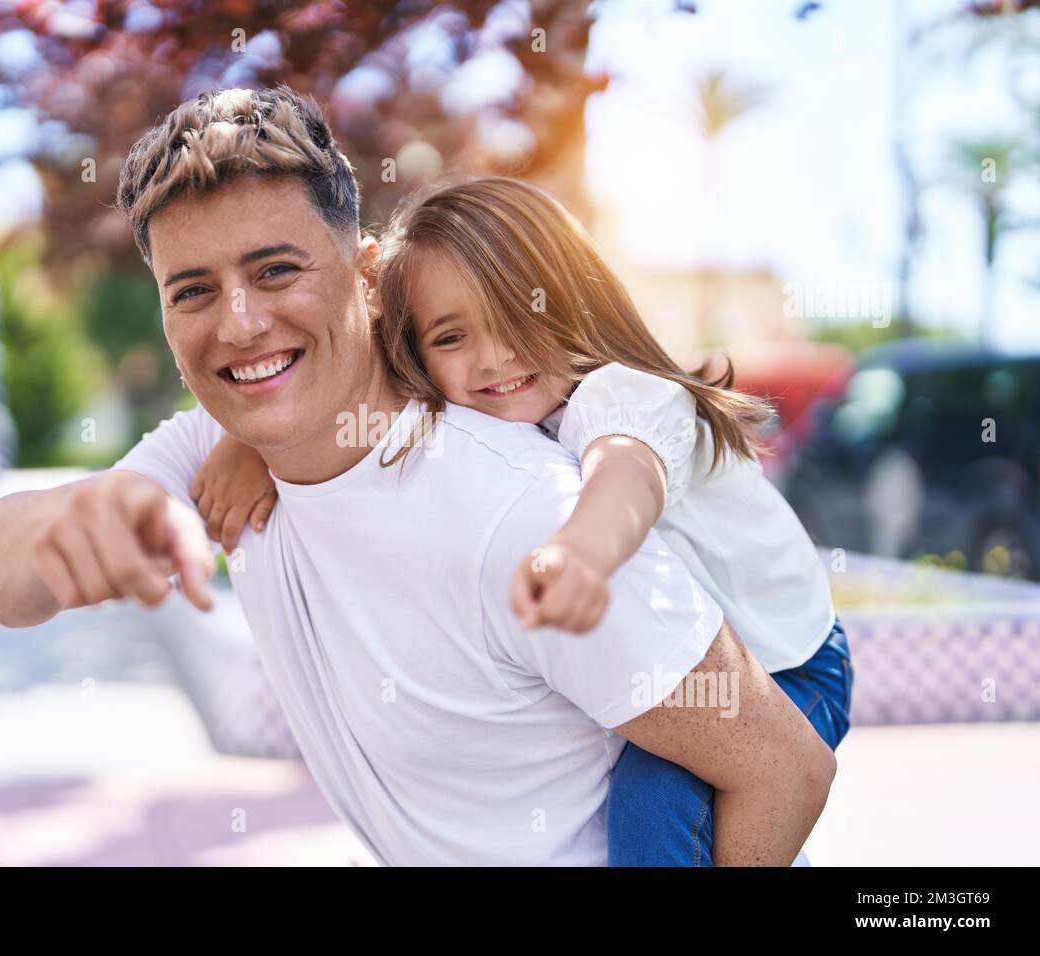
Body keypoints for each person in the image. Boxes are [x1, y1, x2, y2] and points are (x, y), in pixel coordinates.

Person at [0, 86, 837, 866]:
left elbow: (785, 766)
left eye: (276, 270)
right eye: (193, 291)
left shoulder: (525, 511)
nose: (241, 322)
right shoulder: (222, 452)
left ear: (369, 277)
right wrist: (80, 531)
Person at [195, 176, 855, 865]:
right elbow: (339, 352)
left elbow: (626, 474)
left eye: (520, 316)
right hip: (711, 658)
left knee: (653, 806)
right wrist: (250, 438)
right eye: (451, 336)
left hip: (792, 663)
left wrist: (583, 551)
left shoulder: (624, 395)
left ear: (579, 304)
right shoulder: (484, 425)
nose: (493, 357)